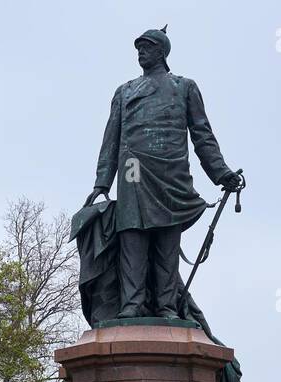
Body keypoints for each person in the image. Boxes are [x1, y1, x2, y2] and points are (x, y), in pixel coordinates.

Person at [84, 27, 242, 319]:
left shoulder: (185, 87)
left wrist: (221, 174)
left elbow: (202, 137)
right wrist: (102, 182)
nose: (140, 53)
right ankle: (131, 303)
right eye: (138, 48)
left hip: (171, 173)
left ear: (162, 52)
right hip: (133, 174)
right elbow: (111, 139)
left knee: (167, 244)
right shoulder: (125, 91)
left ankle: (166, 306)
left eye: (146, 47)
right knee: (132, 238)